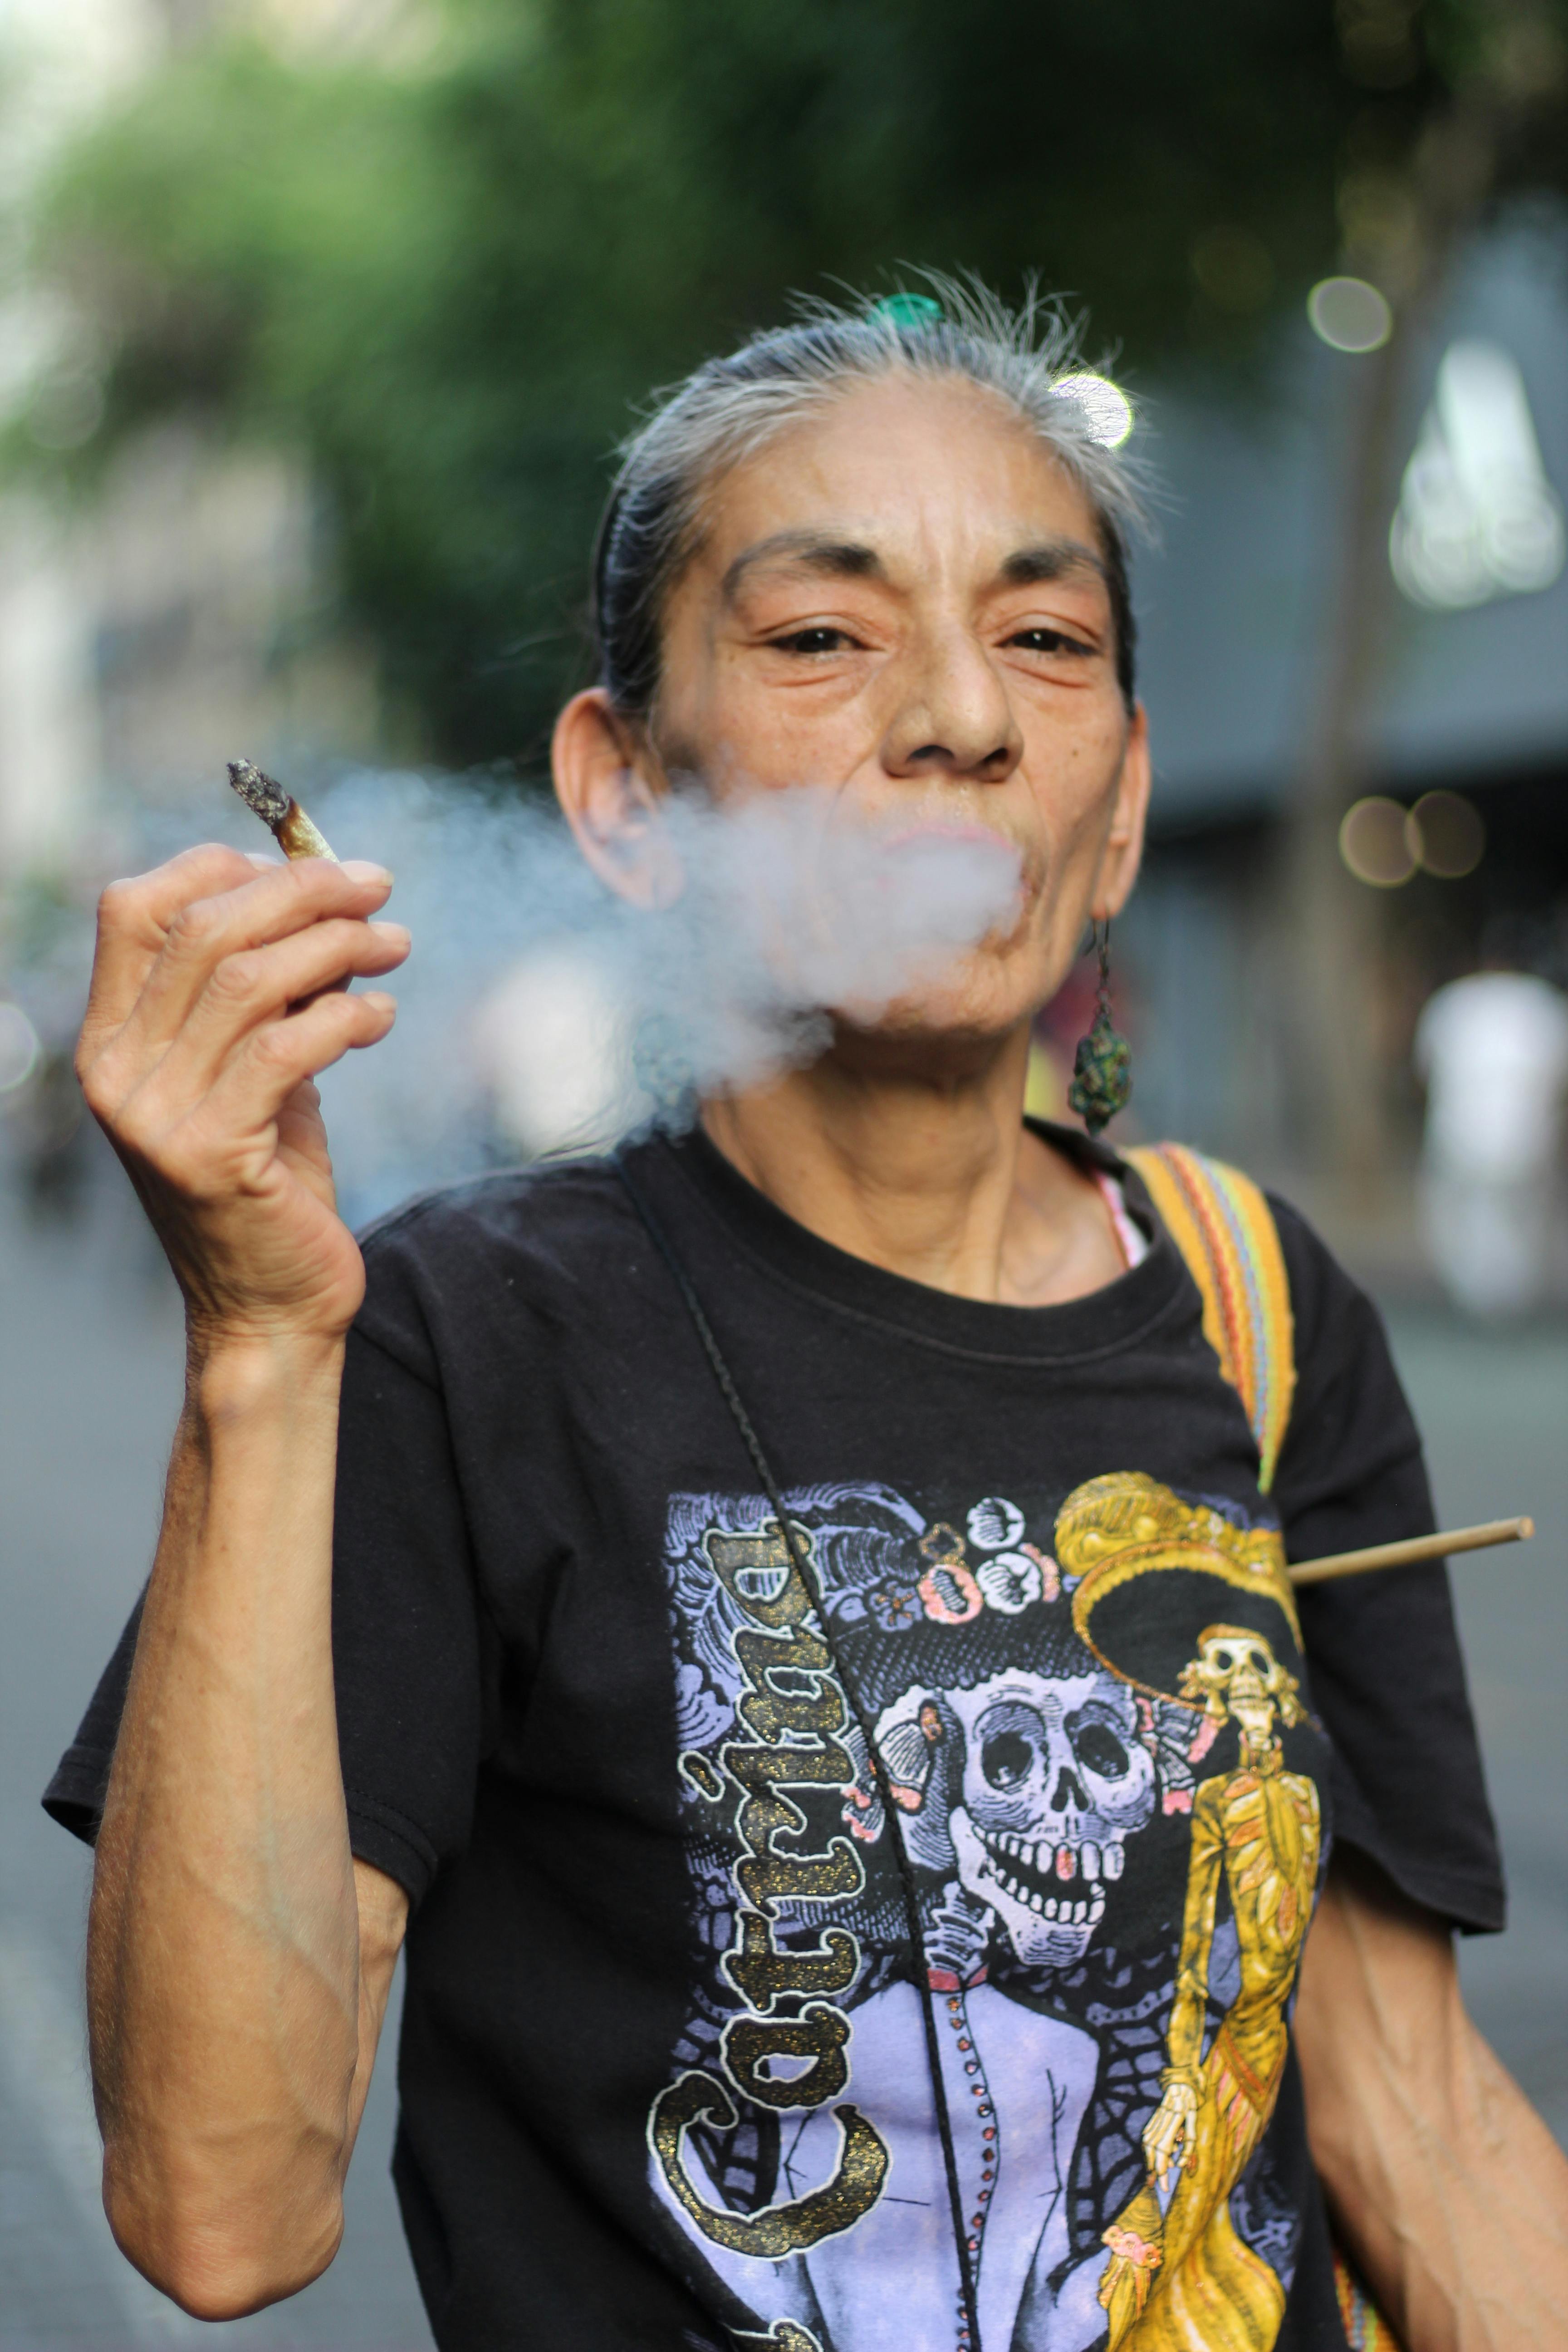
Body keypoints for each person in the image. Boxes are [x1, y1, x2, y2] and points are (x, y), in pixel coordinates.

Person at [46, 290, 1568, 2352]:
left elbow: (1412, 2123)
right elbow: (221, 2208)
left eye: (1046, 639)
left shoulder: (1259, 1298)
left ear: (1116, 806)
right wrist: (253, 1350)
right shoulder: (447, 1339)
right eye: (821, 638)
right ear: (626, 797)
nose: (960, 716)